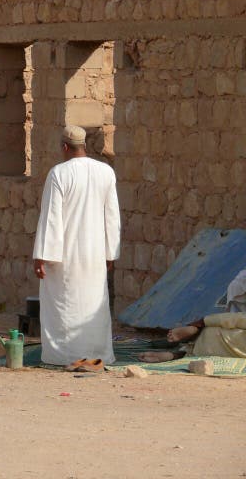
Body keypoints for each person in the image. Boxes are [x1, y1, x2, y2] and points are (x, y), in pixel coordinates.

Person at [32, 126, 121, 366]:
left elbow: (51, 217)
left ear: (64, 147)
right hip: (94, 254)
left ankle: (64, 356)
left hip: (65, 256)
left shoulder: (59, 174)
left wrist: (41, 255)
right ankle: (97, 353)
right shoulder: (105, 172)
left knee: (64, 305)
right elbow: (112, 216)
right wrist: (111, 252)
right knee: (93, 304)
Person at [139, 270, 246, 362]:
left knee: (221, 326)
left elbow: (237, 319)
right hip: (227, 346)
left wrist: (202, 322)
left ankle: (193, 331)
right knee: (224, 334)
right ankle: (179, 354)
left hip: (222, 335)